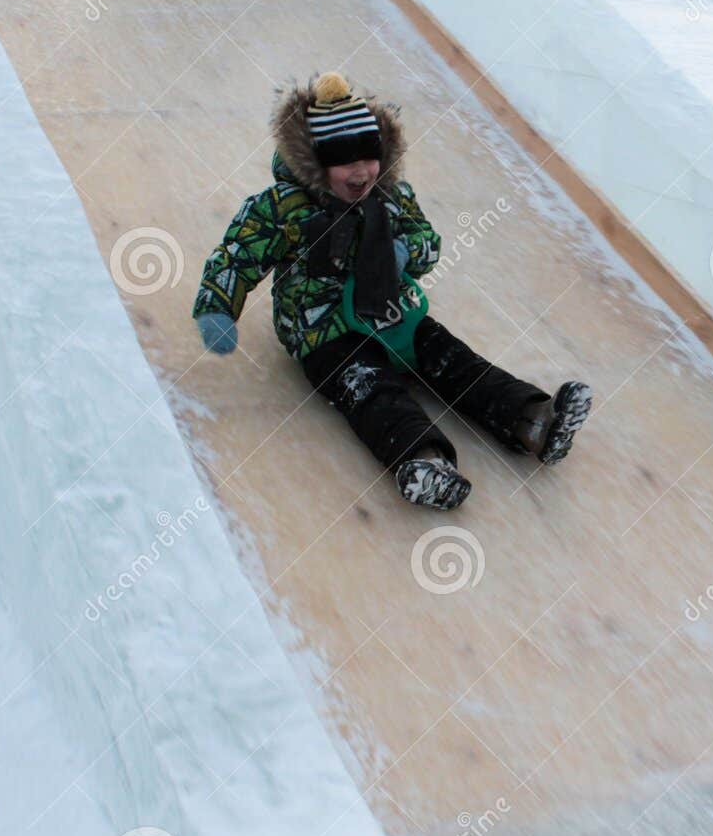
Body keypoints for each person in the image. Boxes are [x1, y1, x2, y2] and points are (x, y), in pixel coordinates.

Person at [192, 72, 590, 510]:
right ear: (316, 162)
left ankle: (532, 421)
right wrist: (217, 308)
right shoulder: (284, 209)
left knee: (454, 359)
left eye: (369, 158)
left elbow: (428, 242)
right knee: (371, 390)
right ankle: (422, 460)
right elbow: (237, 255)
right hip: (323, 328)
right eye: (345, 161)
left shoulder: (391, 197)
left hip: (393, 310)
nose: (361, 171)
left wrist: (404, 251)